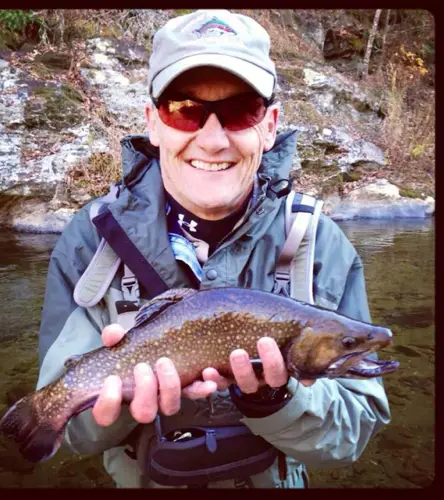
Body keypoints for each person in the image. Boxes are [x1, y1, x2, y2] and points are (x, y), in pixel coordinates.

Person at [36, 9, 391, 488]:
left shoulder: (321, 244)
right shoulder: (91, 240)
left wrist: (276, 401)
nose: (213, 138)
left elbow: (352, 436)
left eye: (240, 110)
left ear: (269, 125)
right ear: (153, 123)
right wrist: (119, 406)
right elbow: (69, 433)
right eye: (184, 109)